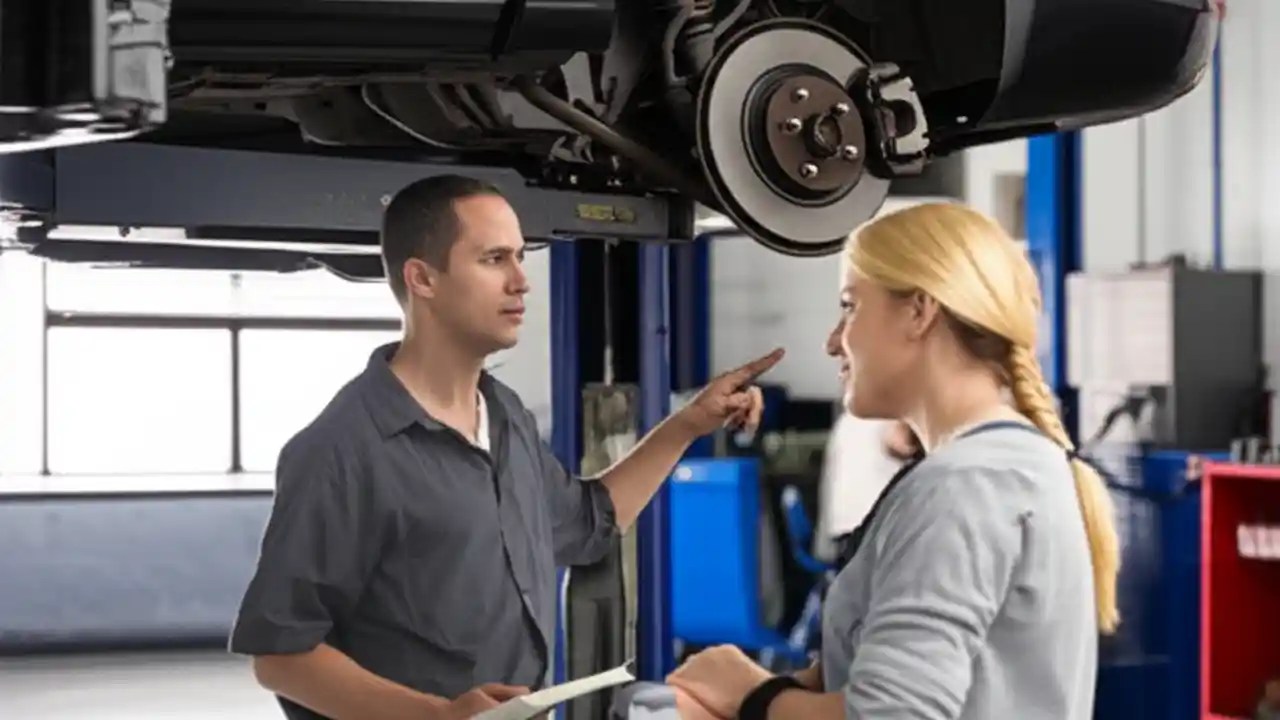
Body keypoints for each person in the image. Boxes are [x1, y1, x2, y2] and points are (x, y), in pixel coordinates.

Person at [228, 174, 784, 720]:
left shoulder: (504, 414)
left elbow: (589, 524)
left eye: (520, 257)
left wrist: (688, 424)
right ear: (423, 278)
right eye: (495, 259)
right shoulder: (342, 451)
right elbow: (282, 654)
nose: (522, 281)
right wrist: (437, 716)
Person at [664, 201, 1121, 720]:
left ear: (919, 311)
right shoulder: (1012, 465)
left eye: (850, 306)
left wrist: (752, 695)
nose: (834, 341)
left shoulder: (964, 485)